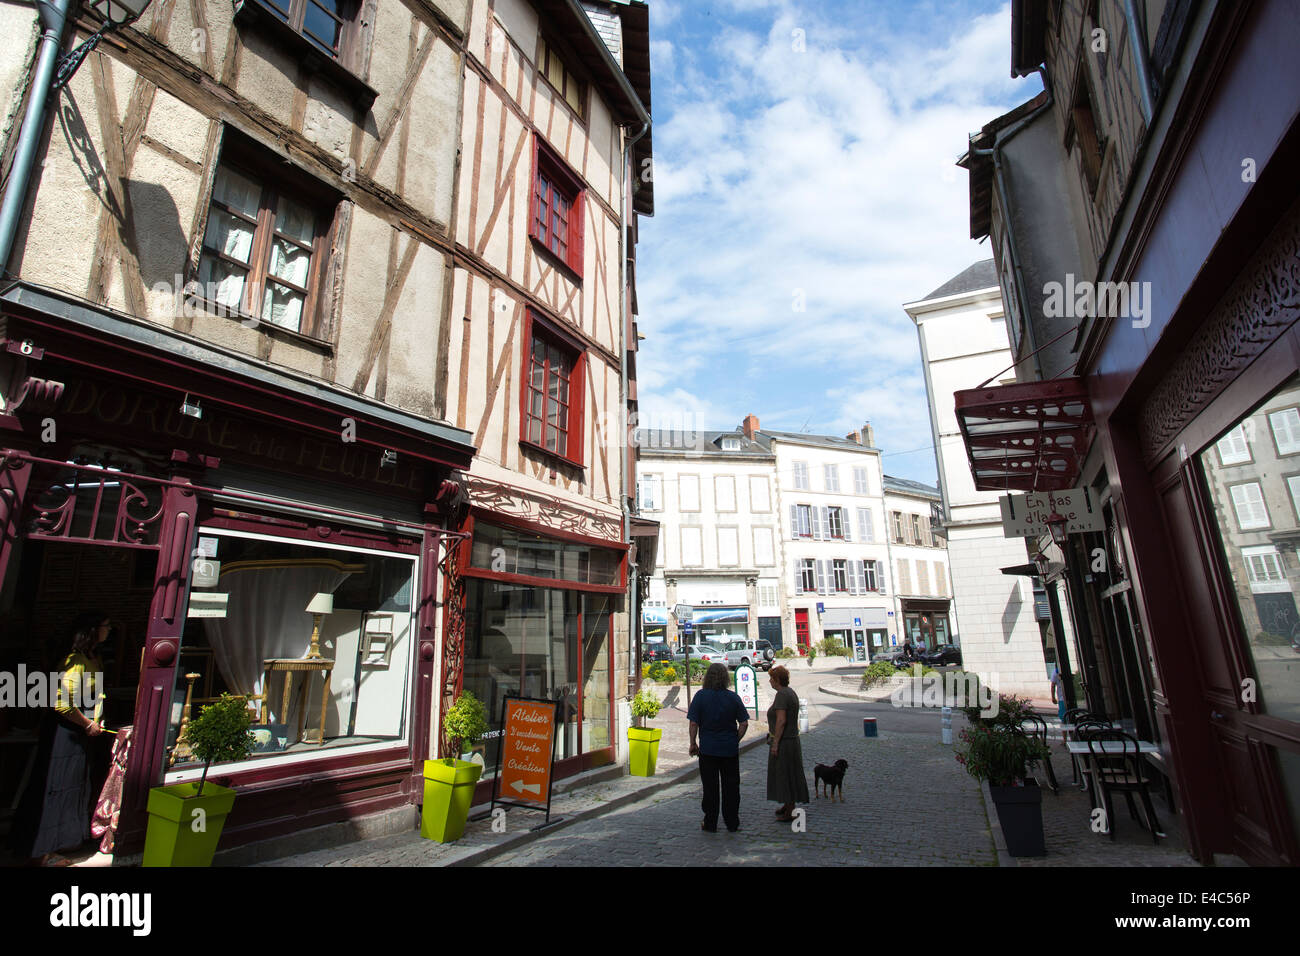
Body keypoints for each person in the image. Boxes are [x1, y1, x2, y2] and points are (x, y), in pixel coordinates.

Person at [8, 613, 112, 865]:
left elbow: (94, 696)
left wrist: (97, 718)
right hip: (65, 735)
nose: (109, 630)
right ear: (92, 630)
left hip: (78, 734)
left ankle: (58, 845)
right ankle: (42, 852)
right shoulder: (74, 661)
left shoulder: (92, 658)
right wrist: (87, 724)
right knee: (55, 787)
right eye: (105, 625)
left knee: (71, 786)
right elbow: (62, 702)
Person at [687, 663, 749, 832]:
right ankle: (732, 822)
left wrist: (693, 743)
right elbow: (743, 723)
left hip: (708, 750)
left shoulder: (700, 696)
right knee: (731, 787)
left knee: (710, 787)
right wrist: (735, 739)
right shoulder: (733, 697)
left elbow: (694, 723)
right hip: (729, 749)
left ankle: (710, 822)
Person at [766, 665, 809, 822]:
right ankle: (787, 804)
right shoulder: (789, 692)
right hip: (791, 740)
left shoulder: (782, 695)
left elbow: (781, 720)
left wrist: (776, 742)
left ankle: (790, 810)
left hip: (785, 742)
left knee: (785, 774)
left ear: (777, 680)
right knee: (787, 772)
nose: (769, 681)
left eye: (771, 678)